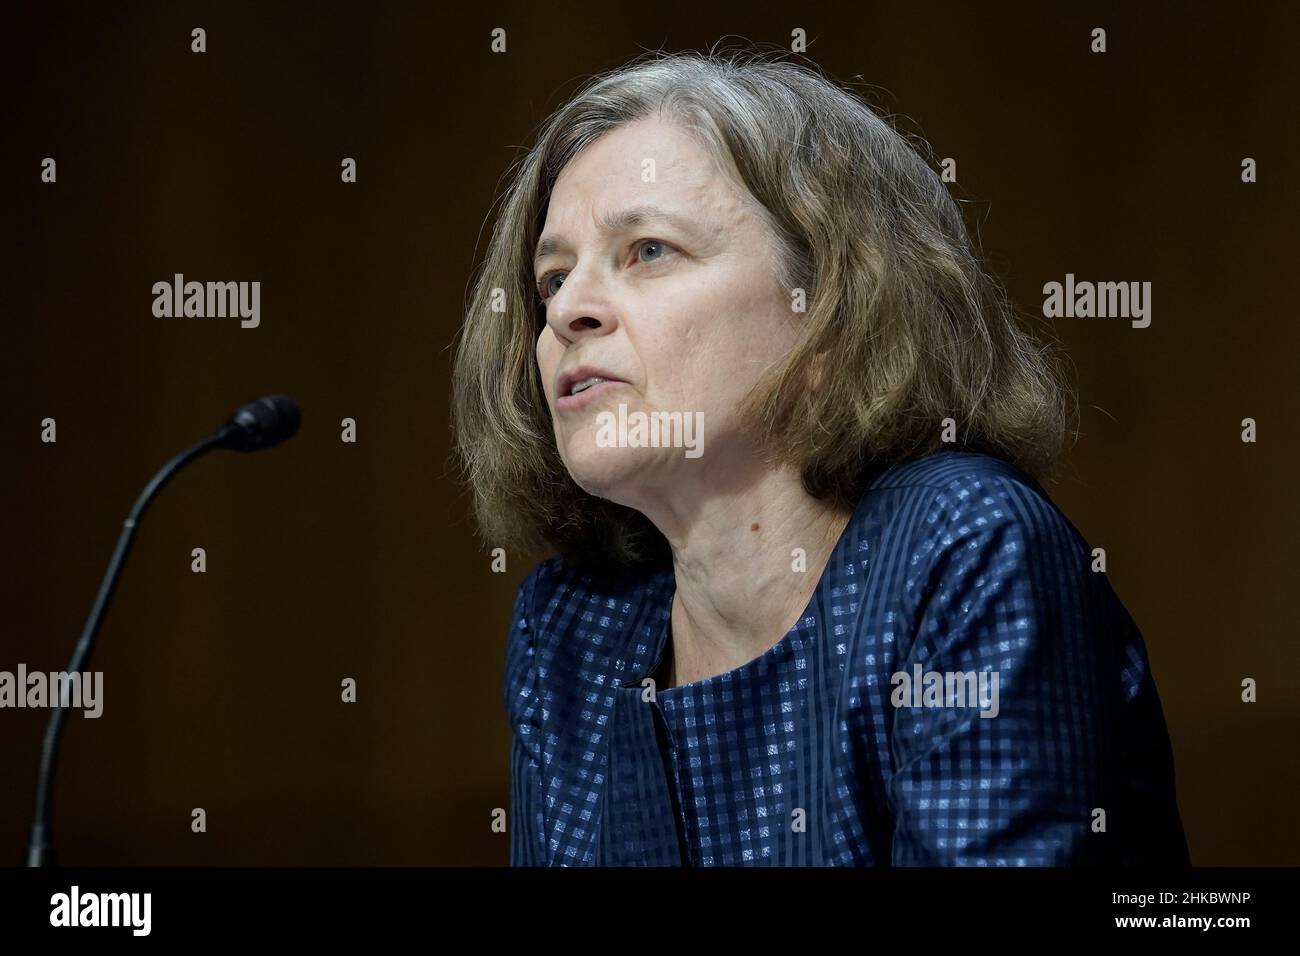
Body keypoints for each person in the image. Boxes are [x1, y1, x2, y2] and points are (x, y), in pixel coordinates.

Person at [451, 48, 1190, 866]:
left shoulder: (965, 549)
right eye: (551, 279)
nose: (569, 313)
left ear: (832, 313)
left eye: (649, 250)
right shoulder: (574, 624)